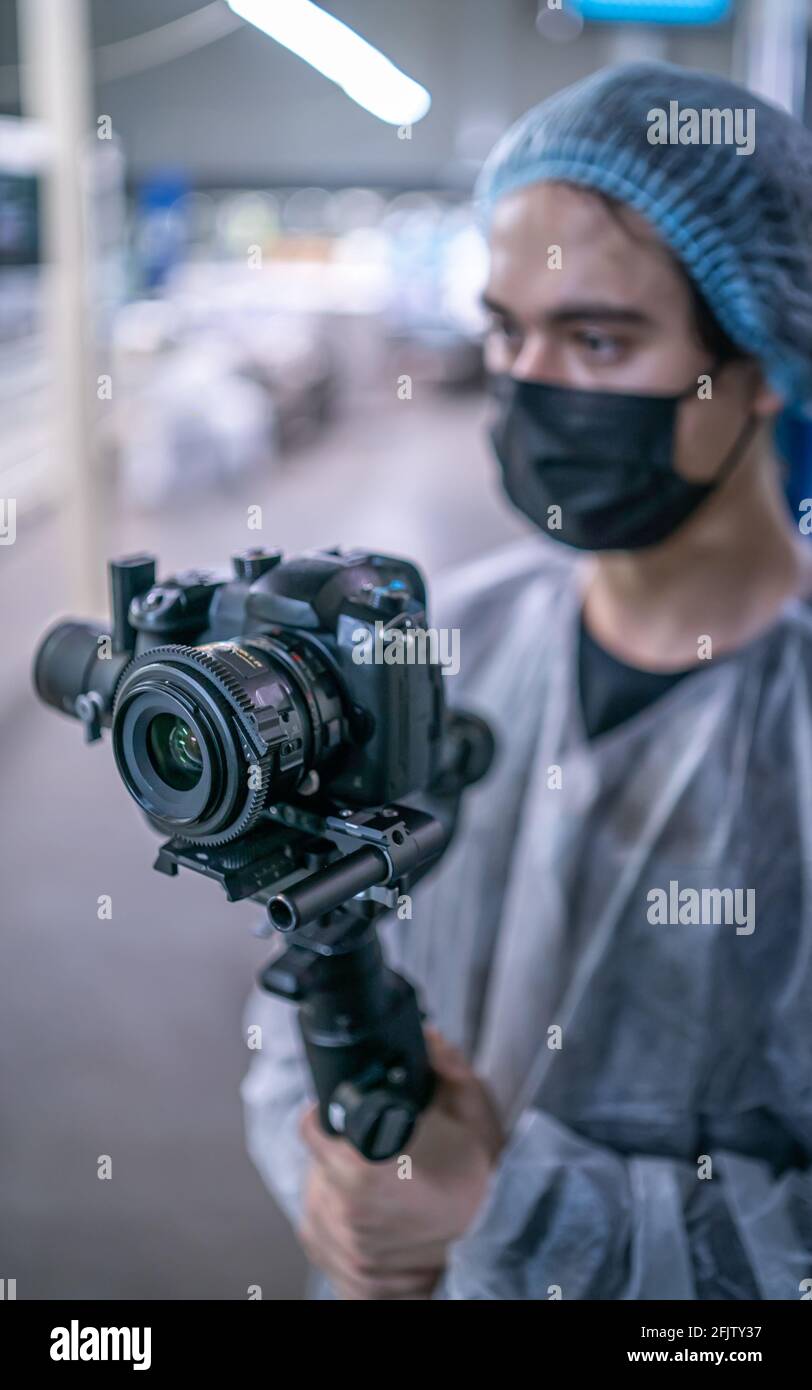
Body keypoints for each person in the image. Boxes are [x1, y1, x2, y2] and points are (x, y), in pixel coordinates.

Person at [240, 61, 812, 1300]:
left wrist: (519, 1220)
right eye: (506, 329)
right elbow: (312, 972)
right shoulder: (438, 644)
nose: (534, 385)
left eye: (596, 338)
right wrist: (346, 1194)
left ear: (762, 357)